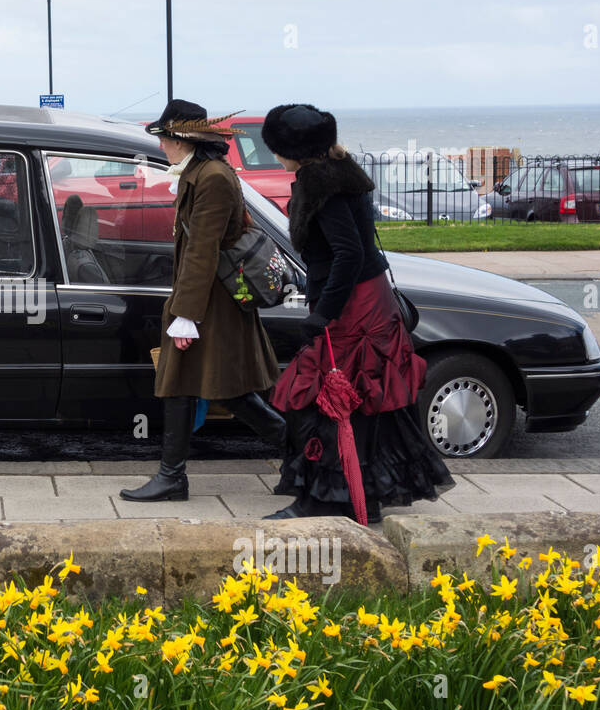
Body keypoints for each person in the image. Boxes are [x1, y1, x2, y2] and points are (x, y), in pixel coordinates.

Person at [260, 104, 454, 522]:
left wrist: (323, 313)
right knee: (364, 405)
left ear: (291, 149)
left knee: (321, 399)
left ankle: (320, 498)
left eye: (276, 148)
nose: (275, 156)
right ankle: (362, 498)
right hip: (369, 298)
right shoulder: (342, 171)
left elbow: (348, 254)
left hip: (352, 308)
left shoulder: (320, 183)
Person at [121, 100, 284, 502]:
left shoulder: (210, 177)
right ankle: (173, 476)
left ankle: (302, 453)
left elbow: (203, 250)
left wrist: (186, 316)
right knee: (191, 385)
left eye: (163, 138)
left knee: (224, 391)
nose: (160, 146)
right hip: (205, 299)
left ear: (180, 139)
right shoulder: (200, 172)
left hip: (213, 305)